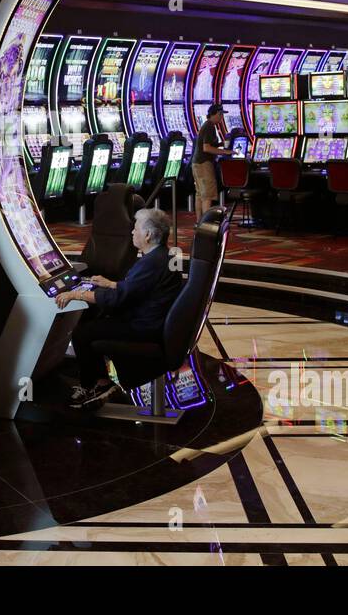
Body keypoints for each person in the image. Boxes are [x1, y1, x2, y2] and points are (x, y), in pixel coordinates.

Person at [54, 207, 184, 408]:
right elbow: (138, 289)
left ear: (147, 235)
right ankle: (99, 381)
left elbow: (117, 299)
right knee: (96, 323)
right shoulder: (162, 256)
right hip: (153, 321)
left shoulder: (151, 262)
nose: (132, 232)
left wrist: (76, 294)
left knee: (82, 333)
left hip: (144, 327)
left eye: (136, 228)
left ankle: (97, 384)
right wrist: (110, 283)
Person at [191, 103, 231, 219]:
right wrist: (225, 152)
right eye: (220, 114)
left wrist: (220, 144)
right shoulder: (209, 127)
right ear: (214, 114)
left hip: (197, 163)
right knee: (207, 195)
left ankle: (199, 221)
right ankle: (205, 224)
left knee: (200, 195)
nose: (221, 117)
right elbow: (206, 148)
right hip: (204, 164)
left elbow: (208, 144)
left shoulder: (207, 125)